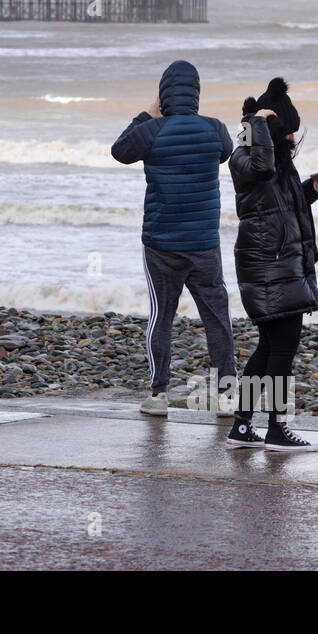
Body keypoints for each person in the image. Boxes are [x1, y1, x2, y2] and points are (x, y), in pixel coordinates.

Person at [112, 59, 238, 418]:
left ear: (163, 95)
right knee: (217, 317)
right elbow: (225, 153)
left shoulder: (153, 131)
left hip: (160, 243)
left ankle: (158, 396)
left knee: (161, 318)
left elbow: (120, 151)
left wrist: (146, 115)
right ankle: (228, 397)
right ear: (197, 94)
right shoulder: (215, 129)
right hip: (203, 243)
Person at [226, 77, 318, 452]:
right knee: (283, 349)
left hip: (277, 264)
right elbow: (260, 170)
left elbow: (280, 205)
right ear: (271, 129)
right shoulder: (245, 157)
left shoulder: (276, 160)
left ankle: (242, 426)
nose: (293, 138)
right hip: (268, 266)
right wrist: (255, 122)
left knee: (269, 347)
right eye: (288, 131)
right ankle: (277, 430)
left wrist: (310, 189)